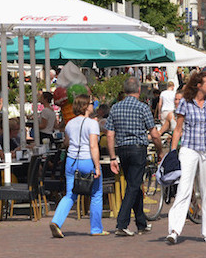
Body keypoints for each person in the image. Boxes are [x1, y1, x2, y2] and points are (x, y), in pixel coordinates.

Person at [165, 71, 206, 245]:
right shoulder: (185, 103)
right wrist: (173, 151)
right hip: (189, 148)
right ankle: (174, 229)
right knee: (184, 187)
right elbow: (178, 129)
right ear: (199, 85)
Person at [107, 76, 160, 237]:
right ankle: (122, 223)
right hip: (138, 148)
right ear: (138, 90)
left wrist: (112, 157)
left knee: (133, 183)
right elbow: (154, 133)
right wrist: (160, 150)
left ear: (124, 90)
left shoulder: (115, 108)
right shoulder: (143, 108)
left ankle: (141, 223)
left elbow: (110, 135)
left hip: (122, 149)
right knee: (133, 186)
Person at [49, 93, 105, 238]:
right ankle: (96, 228)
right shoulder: (92, 123)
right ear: (86, 106)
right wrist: (97, 166)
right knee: (96, 193)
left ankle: (56, 221)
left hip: (71, 160)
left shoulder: (70, 123)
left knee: (70, 194)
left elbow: (66, 143)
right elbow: (93, 146)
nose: (94, 105)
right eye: (92, 103)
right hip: (87, 160)